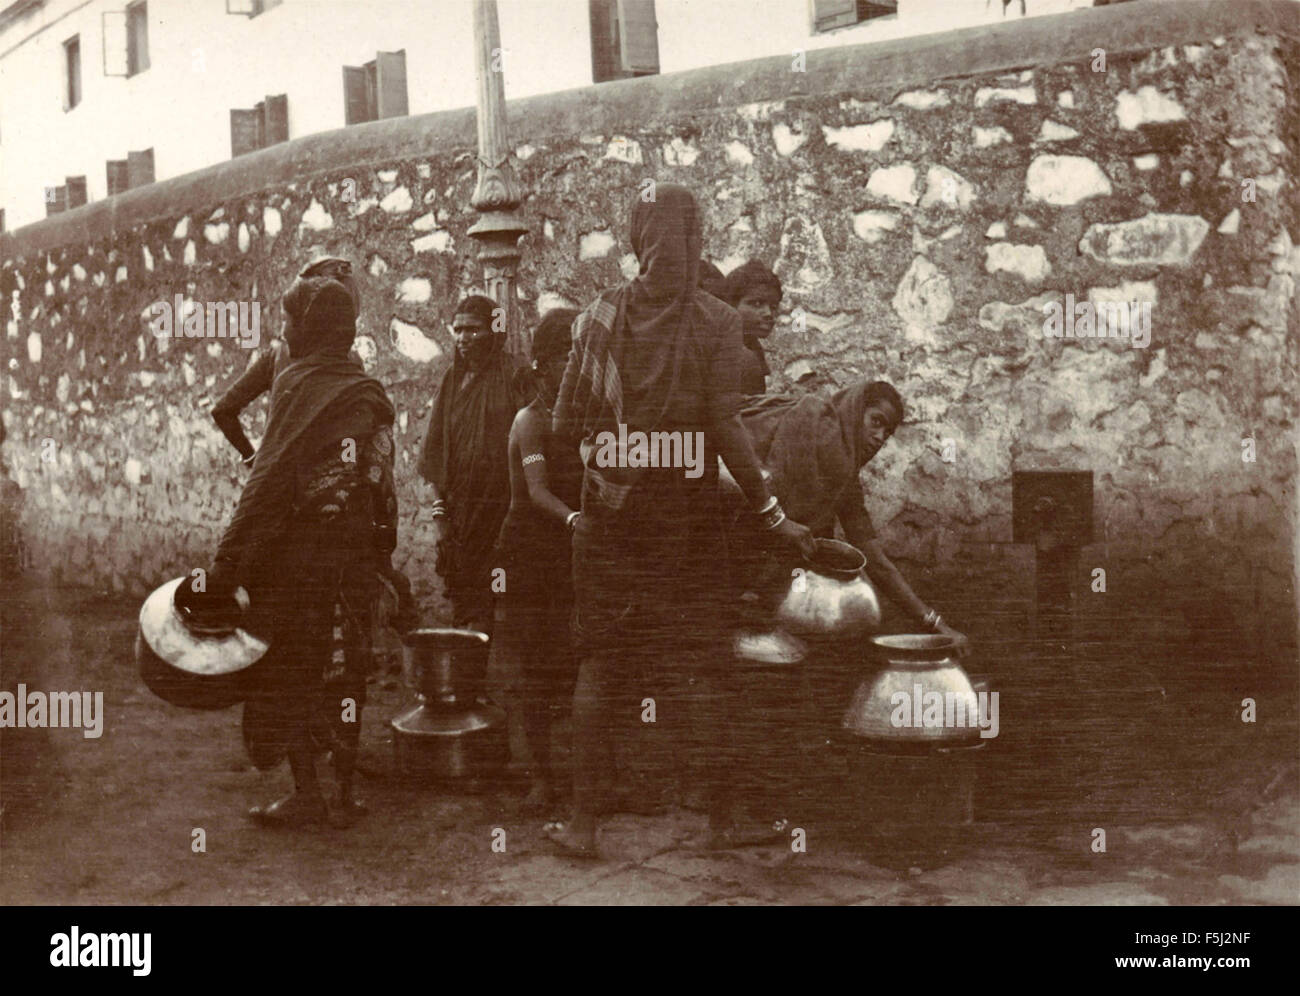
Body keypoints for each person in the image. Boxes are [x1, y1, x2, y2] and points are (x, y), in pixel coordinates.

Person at [547, 182, 815, 858]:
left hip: (612, 521)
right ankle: (724, 821)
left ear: (637, 239)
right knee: (709, 668)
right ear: (698, 241)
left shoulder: (597, 317)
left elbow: (567, 425)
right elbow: (728, 428)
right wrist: (773, 513)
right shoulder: (718, 322)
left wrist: (620, 459)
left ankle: (582, 828)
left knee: (601, 667)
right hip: (688, 526)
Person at [194, 274, 398, 827]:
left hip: (300, 564)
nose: (284, 330)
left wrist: (227, 562)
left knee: (290, 673)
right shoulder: (367, 390)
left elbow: (268, 477)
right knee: (349, 670)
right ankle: (347, 793)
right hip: (353, 563)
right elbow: (382, 484)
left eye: (290, 321)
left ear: (310, 327)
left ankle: (309, 793)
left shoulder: (298, 384)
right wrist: (383, 559)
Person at [739, 380, 969, 649]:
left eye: (888, 432)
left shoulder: (844, 476)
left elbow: (875, 558)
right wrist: (935, 623)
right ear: (855, 410)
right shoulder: (817, 430)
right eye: (876, 422)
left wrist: (933, 622)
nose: (880, 437)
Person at [488, 307, 583, 811]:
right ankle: (542, 780)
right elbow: (538, 489)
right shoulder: (530, 421)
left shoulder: (580, 417)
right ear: (545, 364)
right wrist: (576, 521)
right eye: (568, 356)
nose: (578, 365)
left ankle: (583, 780)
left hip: (568, 551)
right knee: (533, 668)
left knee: (573, 665)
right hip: (527, 553)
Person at [417, 295, 524, 642]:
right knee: (466, 596)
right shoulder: (452, 380)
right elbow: (434, 451)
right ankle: (466, 682)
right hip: (460, 513)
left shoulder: (514, 375)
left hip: (501, 514)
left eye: (473, 330)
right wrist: (440, 514)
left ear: (493, 331)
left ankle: (491, 678)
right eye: (458, 330)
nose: (463, 338)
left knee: (498, 596)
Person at [212, 256, 360, 467]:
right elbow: (351, 436)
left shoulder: (277, 357)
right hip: (327, 488)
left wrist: (253, 459)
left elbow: (223, 411)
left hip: (282, 482)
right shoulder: (351, 364)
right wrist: (345, 473)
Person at [717, 260, 782, 397]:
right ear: (730, 305)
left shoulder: (752, 345)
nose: (769, 313)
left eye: (773, 306)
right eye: (757, 303)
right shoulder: (726, 350)